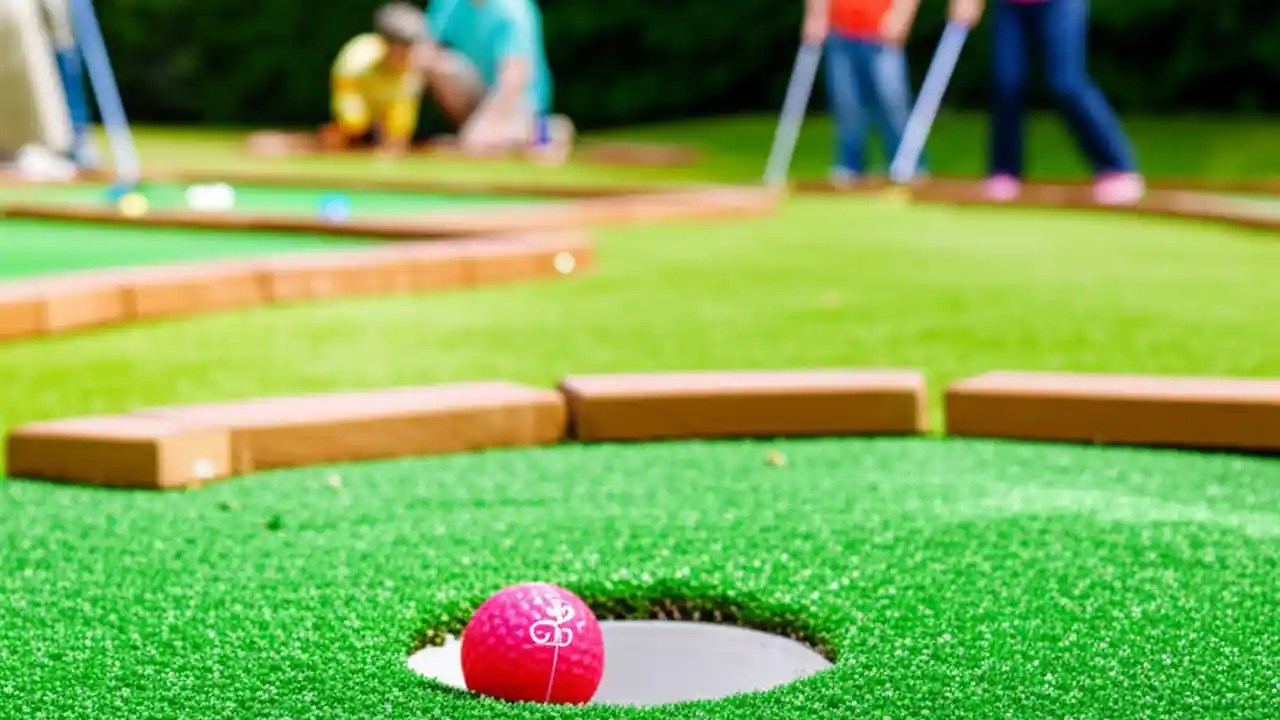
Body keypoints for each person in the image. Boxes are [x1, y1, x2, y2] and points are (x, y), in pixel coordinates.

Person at [948, 0, 1145, 205]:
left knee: (1066, 83)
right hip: (1010, 6)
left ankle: (1117, 169)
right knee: (1007, 84)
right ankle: (1004, 172)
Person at [418, 0, 573, 163]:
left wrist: (486, 124)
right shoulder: (448, 3)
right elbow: (424, 53)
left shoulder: (513, 9)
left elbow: (513, 79)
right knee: (440, 64)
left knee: (496, 143)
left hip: (517, 101)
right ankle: (483, 135)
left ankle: (542, 130)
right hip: (477, 94)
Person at [803, 0, 923, 187]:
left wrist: (902, 15)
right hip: (840, 32)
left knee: (892, 102)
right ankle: (850, 166)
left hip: (882, 34)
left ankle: (908, 164)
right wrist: (815, 14)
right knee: (846, 104)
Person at [322, 2, 430, 156]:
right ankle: (329, 147)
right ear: (384, 42)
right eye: (401, 47)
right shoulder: (357, 60)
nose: (407, 55)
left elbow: (402, 123)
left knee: (398, 133)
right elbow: (347, 100)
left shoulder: (413, 71)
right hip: (358, 89)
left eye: (410, 47)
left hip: (393, 93)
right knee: (353, 124)